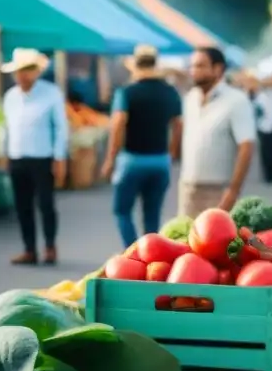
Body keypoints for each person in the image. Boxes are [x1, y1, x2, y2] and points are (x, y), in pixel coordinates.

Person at [100, 45, 182, 247]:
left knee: (122, 210)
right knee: (152, 215)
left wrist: (110, 159)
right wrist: (172, 151)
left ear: (135, 64)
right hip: (160, 160)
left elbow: (118, 124)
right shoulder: (170, 91)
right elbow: (179, 124)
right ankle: (150, 256)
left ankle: (132, 252)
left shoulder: (127, 92)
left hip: (132, 160)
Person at [0, 48, 69, 265]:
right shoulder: (10, 96)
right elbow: (7, 128)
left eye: (28, 70)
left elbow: (61, 128)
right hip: (17, 156)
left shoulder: (51, 93)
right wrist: (4, 153)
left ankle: (49, 246)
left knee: (46, 204)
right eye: (19, 71)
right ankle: (29, 248)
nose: (23, 75)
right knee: (22, 206)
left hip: (43, 157)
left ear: (37, 71)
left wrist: (59, 157)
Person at [178, 47, 256, 216]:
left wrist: (233, 191)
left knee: (216, 240)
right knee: (182, 239)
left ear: (218, 69)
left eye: (200, 66)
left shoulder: (236, 100)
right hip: (188, 187)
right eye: (192, 66)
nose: (193, 71)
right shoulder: (190, 98)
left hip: (218, 190)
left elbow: (246, 146)